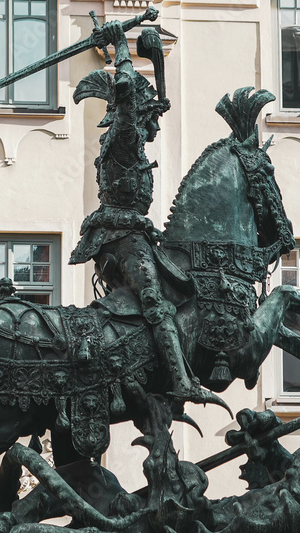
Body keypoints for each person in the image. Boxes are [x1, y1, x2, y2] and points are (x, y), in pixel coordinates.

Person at [70, 20, 218, 406]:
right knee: (154, 299)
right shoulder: (124, 138)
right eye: (150, 118)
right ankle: (180, 380)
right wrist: (121, 47)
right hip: (122, 239)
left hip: (127, 236)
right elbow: (124, 92)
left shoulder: (129, 142)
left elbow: (141, 105)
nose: (154, 126)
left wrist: (157, 95)